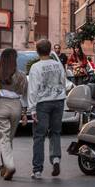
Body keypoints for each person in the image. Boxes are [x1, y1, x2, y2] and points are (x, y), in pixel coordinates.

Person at [27, 37, 68, 179]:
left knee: (39, 136)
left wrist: (32, 109)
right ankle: (56, 158)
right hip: (58, 101)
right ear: (50, 50)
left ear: (37, 52)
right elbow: (63, 82)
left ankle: (37, 170)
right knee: (55, 132)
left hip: (42, 104)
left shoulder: (36, 67)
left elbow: (33, 89)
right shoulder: (58, 65)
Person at [0, 46, 27, 180]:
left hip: (1, 106)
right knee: (9, 139)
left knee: (4, 139)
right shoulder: (21, 76)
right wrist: (24, 113)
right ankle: (4, 166)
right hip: (16, 107)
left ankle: (9, 166)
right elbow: (24, 96)